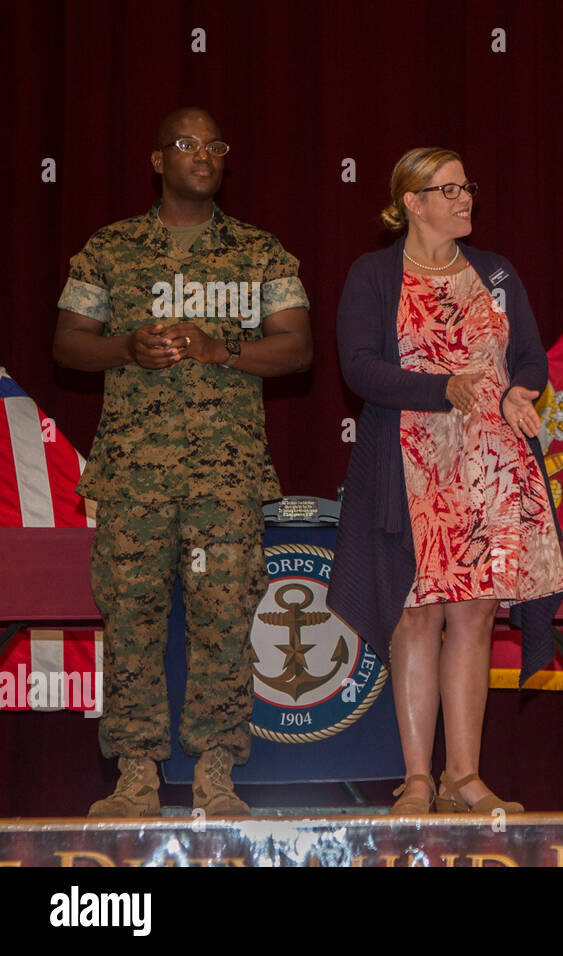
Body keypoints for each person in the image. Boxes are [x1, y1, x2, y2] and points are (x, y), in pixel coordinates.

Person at [53, 107, 312, 817]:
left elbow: (297, 348)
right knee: (132, 620)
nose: (204, 155)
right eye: (187, 144)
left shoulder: (260, 252)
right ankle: (135, 776)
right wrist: (126, 346)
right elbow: (68, 342)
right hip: (134, 479)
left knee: (224, 620)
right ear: (157, 159)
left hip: (223, 484)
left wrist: (221, 348)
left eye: (216, 145)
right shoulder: (110, 249)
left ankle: (217, 774)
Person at [329, 148, 563, 815]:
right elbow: (360, 368)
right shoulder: (374, 275)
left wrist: (521, 391)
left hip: (490, 466)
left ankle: (465, 778)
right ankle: (416, 780)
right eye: (450, 189)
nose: (466, 199)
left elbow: (529, 357)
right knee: (415, 615)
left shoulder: (495, 272)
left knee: (474, 613)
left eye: (469, 186)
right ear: (413, 201)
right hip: (409, 466)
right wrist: (443, 388)